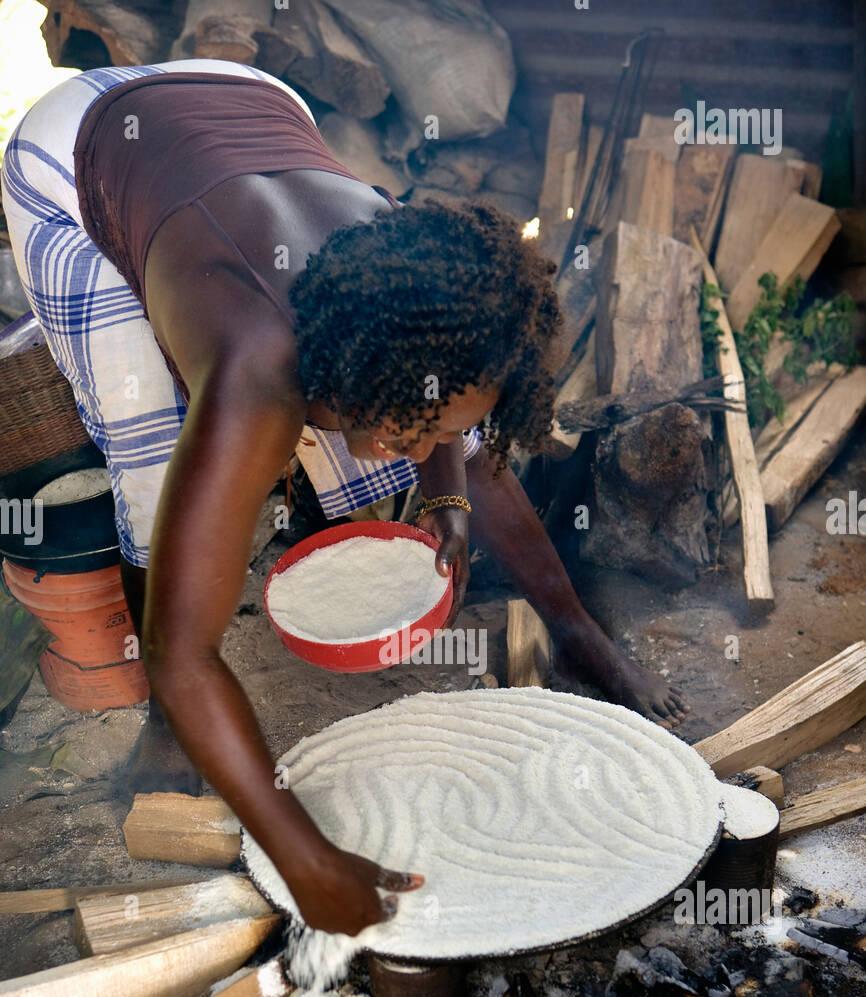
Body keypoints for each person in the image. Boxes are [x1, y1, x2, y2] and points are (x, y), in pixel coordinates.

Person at [2, 59, 688, 939]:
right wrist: (309, 862)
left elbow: (446, 424)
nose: (433, 448)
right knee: (153, 470)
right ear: (357, 377)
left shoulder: (410, 281)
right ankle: (168, 729)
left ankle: (581, 635)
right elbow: (183, 651)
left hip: (243, 102)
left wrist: (447, 500)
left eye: (447, 428)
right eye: (419, 429)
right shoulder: (257, 372)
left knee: (423, 432)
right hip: (79, 152)